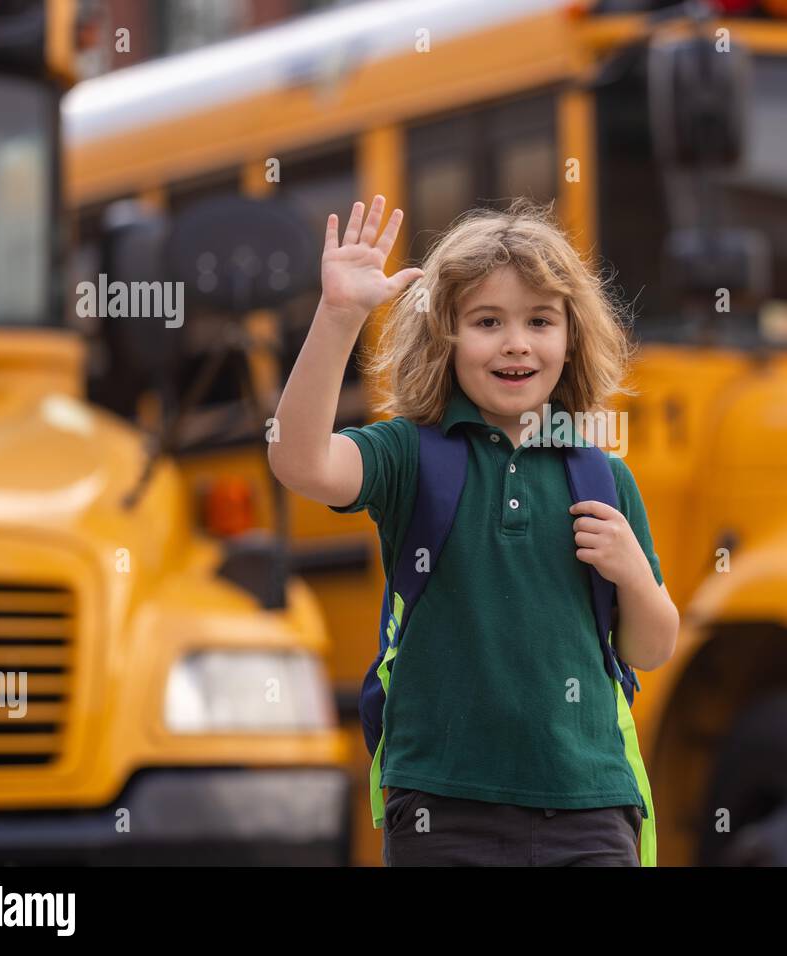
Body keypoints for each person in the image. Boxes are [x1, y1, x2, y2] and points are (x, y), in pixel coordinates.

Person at [269, 194, 679, 866]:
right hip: (442, 807)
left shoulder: (605, 479)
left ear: (571, 338)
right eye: (488, 321)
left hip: (591, 808)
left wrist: (633, 572)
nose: (517, 341)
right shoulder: (408, 454)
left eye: (540, 321)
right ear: (446, 338)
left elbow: (651, 647)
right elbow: (299, 461)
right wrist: (339, 315)